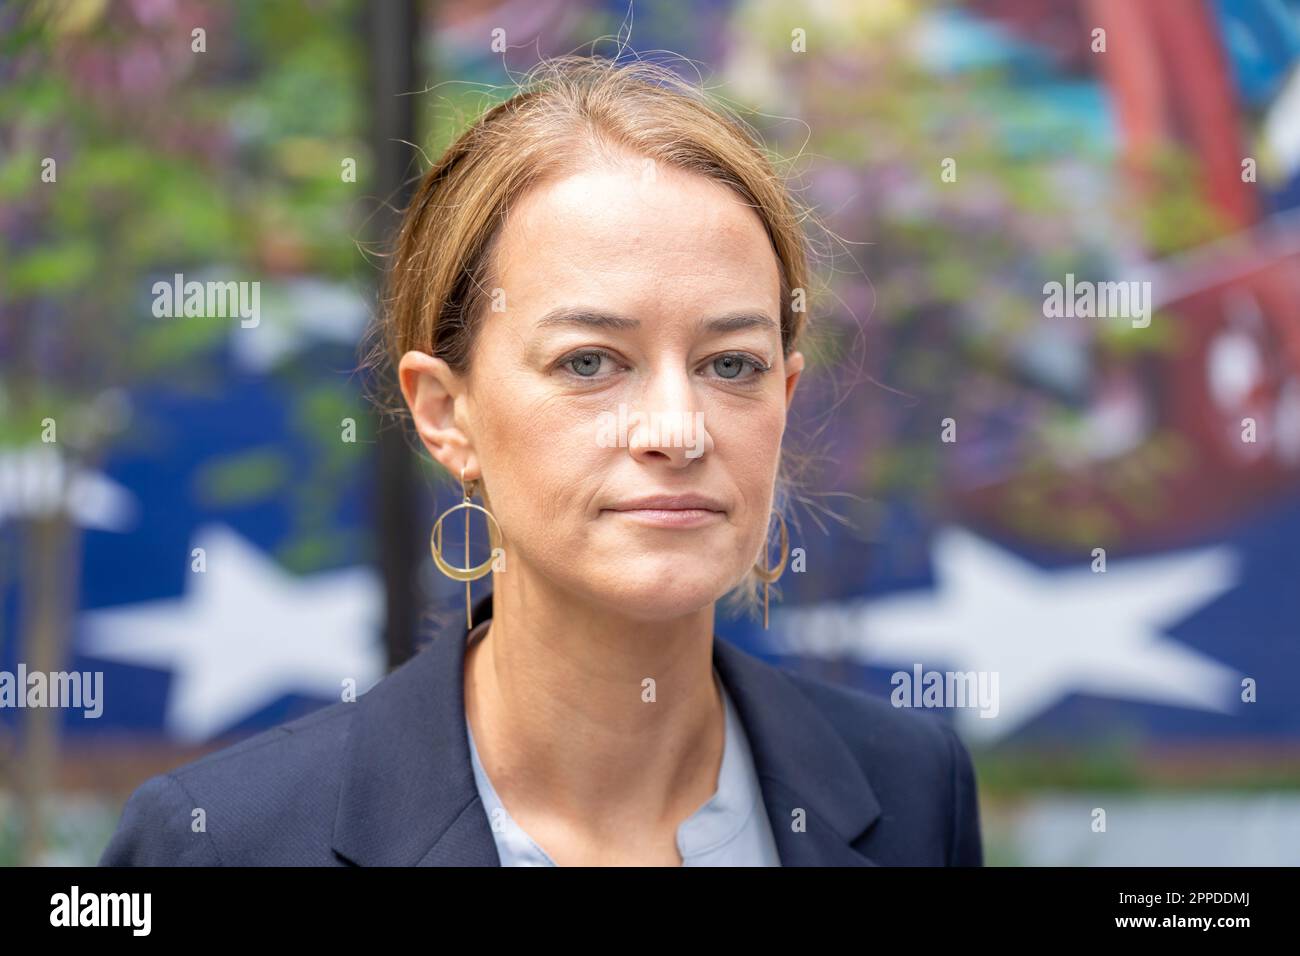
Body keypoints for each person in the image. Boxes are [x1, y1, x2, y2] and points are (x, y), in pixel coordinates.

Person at [100, 54, 982, 867]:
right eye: (589, 361)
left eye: (730, 365)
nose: (677, 429)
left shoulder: (912, 791)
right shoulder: (227, 843)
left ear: (785, 400)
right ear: (448, 414)